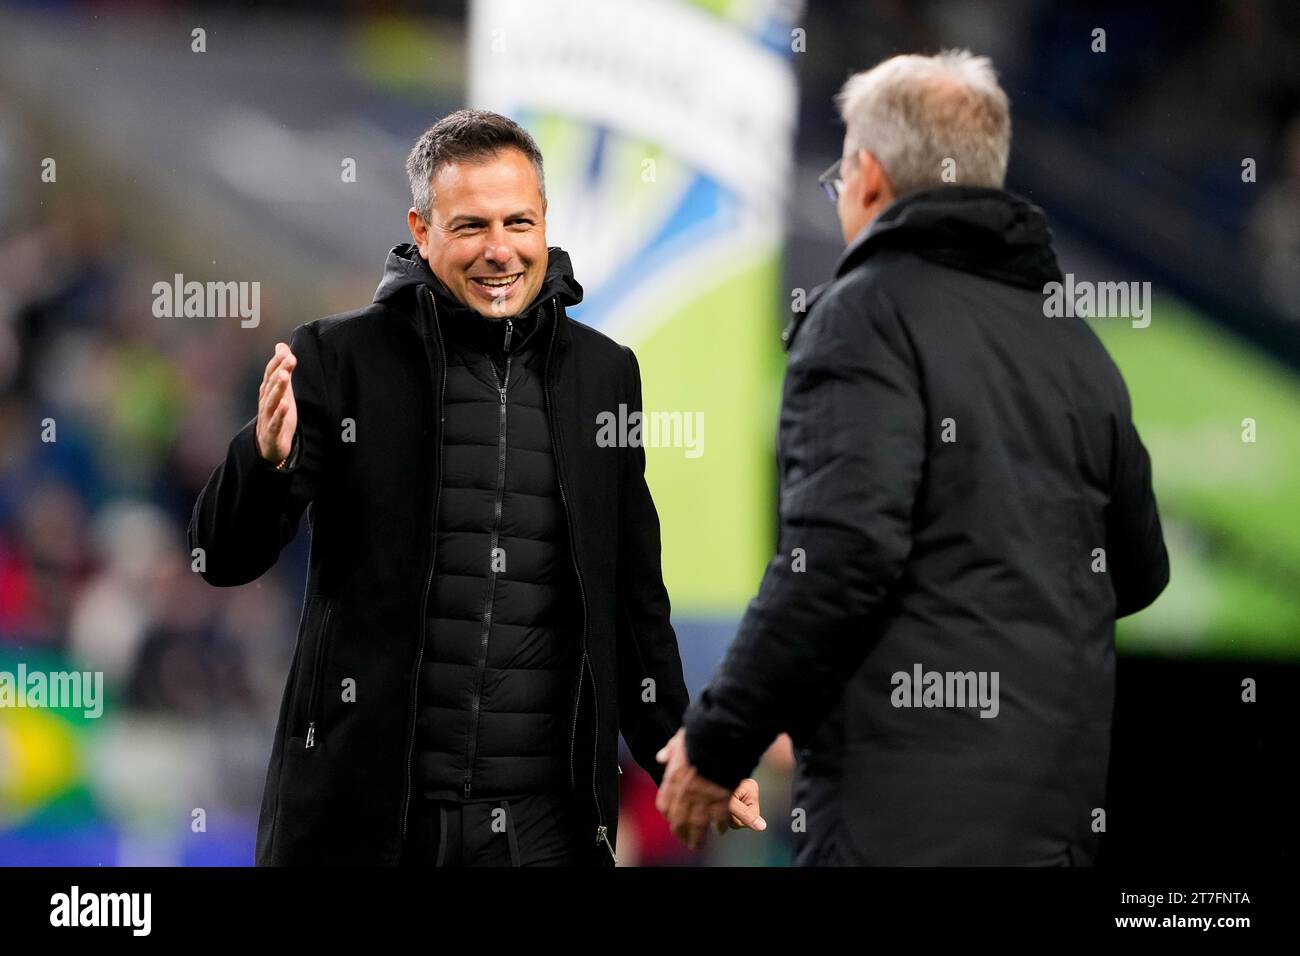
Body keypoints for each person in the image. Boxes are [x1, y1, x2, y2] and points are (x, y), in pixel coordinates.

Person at [190, 109, 761, 866]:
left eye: (518, 222)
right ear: (421, 232)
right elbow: (221, 557)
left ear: (546, 222)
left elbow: (633, 608)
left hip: (544, 828)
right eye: (471, 227)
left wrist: (684, 761)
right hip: (371, 823)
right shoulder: (335, 358)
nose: (500, 250)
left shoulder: (605, 374)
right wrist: (262, 462)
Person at [656, 51, 1169, 865]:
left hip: (899, 825)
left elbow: (839, 554)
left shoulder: (863, 315)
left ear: (866, 174)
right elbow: (1139, 573)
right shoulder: (1076, 344)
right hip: (1055, 824)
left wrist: (716, 743)